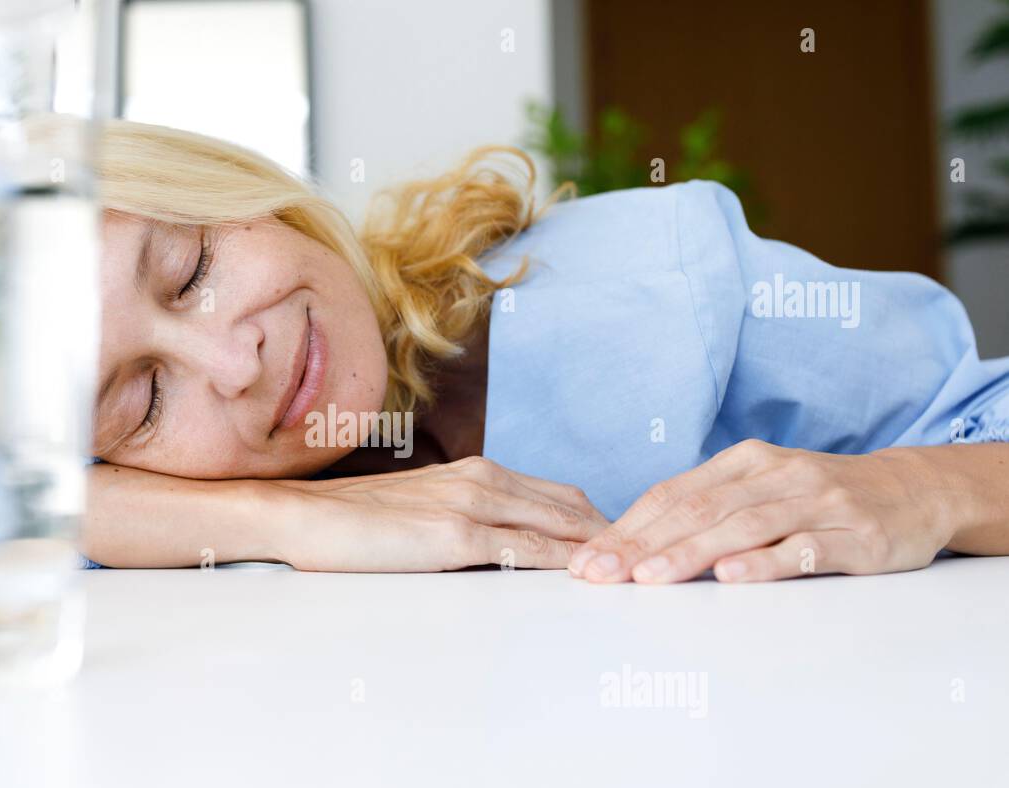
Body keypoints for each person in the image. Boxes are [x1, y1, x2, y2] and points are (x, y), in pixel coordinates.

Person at [79, 118, 1009, 582]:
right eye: (144, 403)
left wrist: (921, 488)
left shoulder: (663, 278)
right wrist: (277, 522)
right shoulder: (178, 529)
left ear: (249, 193)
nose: (236, 365)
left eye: (192, 267)